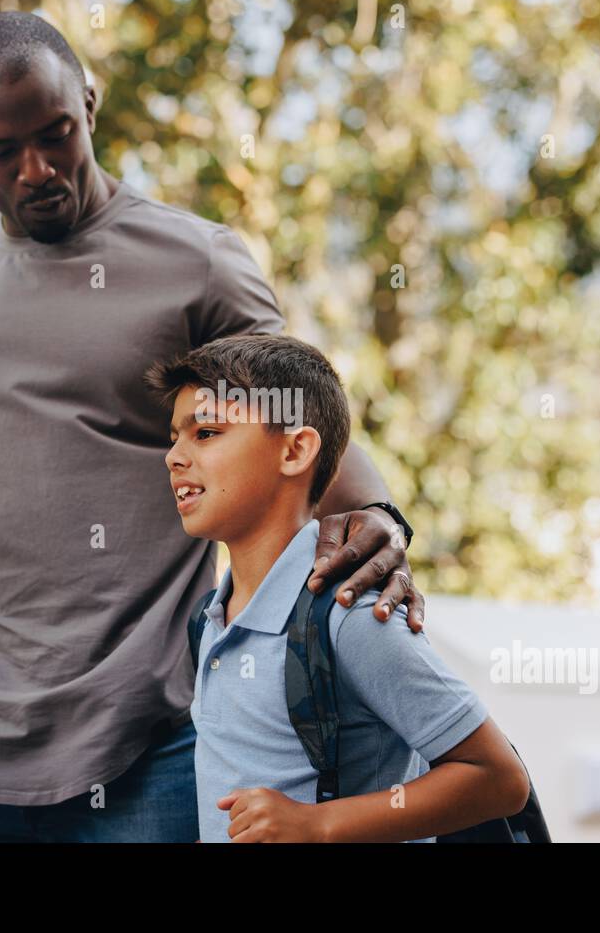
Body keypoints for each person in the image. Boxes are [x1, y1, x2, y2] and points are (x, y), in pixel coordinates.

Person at [0, 12, 426, 843]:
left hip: (152, 741)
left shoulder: (195, 264)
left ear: (89, 102)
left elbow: (295, 419)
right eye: (0, 151)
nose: (37, 170)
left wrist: (377, 515)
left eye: (55, 134)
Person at [145, 334, 530, 842]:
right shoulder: (210, 619)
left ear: (295, 450)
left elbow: (498, 778)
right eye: (175, 437)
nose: (174, 456)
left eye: (207, 432)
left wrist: (316, 824)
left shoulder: (349, 617)